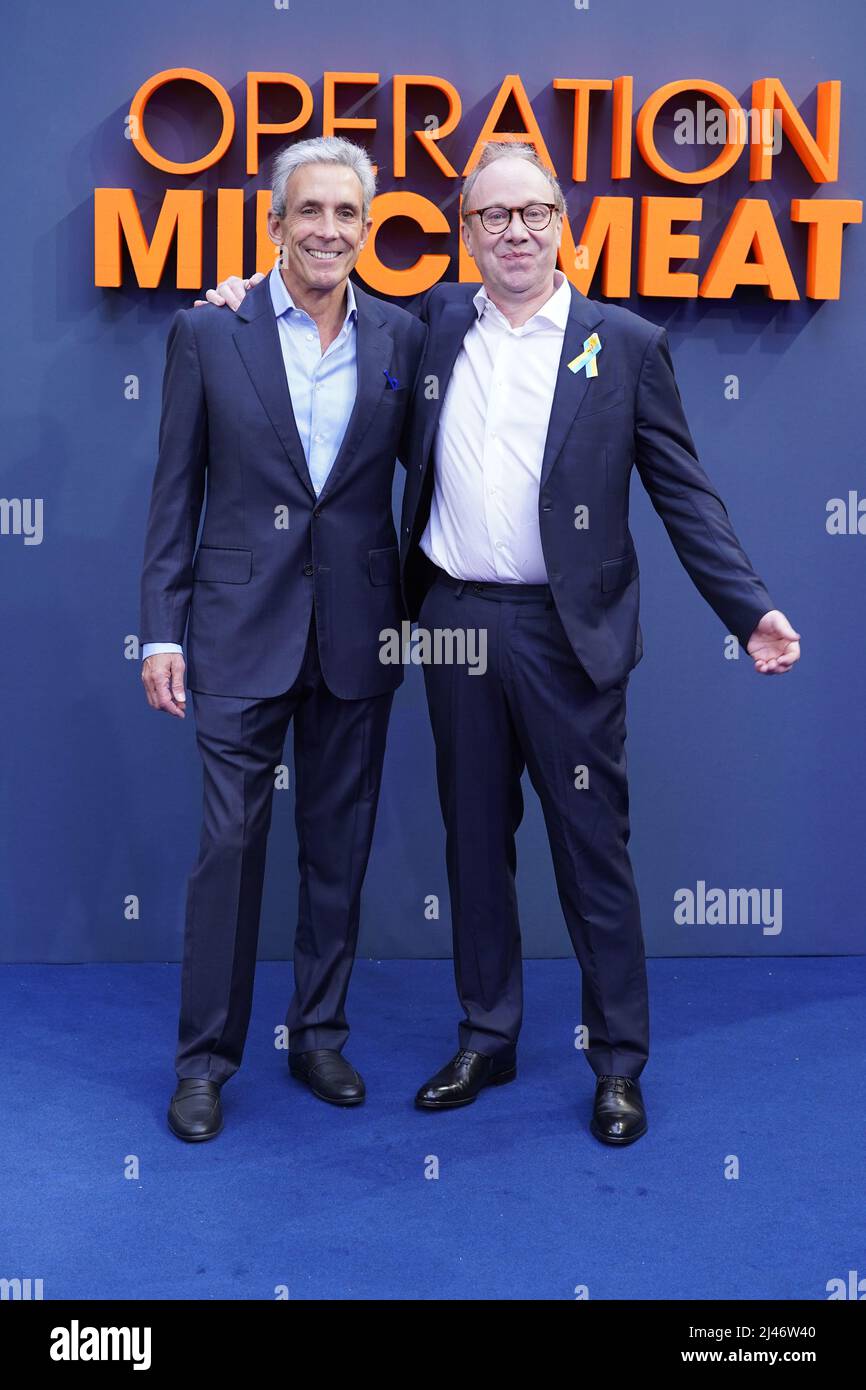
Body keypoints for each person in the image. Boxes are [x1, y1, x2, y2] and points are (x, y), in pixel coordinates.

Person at [202, 140, 801, 1146]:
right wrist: (238, 300)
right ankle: (487, 1031)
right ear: (464, 233)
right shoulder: (432, 324)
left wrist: (745, 609)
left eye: (532, 214)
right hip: (451, 627)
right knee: (472, 844)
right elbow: (305, 321)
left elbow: (684, 497)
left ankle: (615, 1062)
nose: (513, 232)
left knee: (589, 852)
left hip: (569, 636)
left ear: (562, 224)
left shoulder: (625, 345)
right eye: (491, 217)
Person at [140, 136, 425, 1141]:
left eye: (347, 215)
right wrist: (157, 634)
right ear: (273, 223)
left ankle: (317, 1034)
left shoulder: (402, 337)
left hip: (358, 631)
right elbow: (175, 491)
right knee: (228, 846)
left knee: (336, 845)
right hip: (233, 628)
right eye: (309, 211)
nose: (328, 230)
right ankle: (205, 1058)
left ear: (365, 227)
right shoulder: (207, 331)